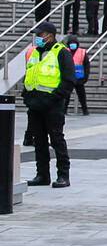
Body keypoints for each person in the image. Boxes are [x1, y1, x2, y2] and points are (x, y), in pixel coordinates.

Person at [23, 21, 74, 188]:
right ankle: (42, 175)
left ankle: (63, 176)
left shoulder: (62, 53)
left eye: (40, 34)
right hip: (35, 106)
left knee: (57, 139)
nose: (37, 37)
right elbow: (30, 77)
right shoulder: (35, 53)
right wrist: (27, 98)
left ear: (50, 35)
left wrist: (53, 98)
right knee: (39, 141)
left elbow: (68, 80)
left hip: (53, 105)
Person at [65, 35, 90, 117]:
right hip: (68, 77)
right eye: (71, 43)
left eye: (74, 43)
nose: (72, 44)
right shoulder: (65, 51)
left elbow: (86, 65)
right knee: (66, 95)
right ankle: (64, 110)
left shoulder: (82, 52)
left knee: (82, 95)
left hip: (79, 77)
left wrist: (85, 77)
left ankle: (85, 110)